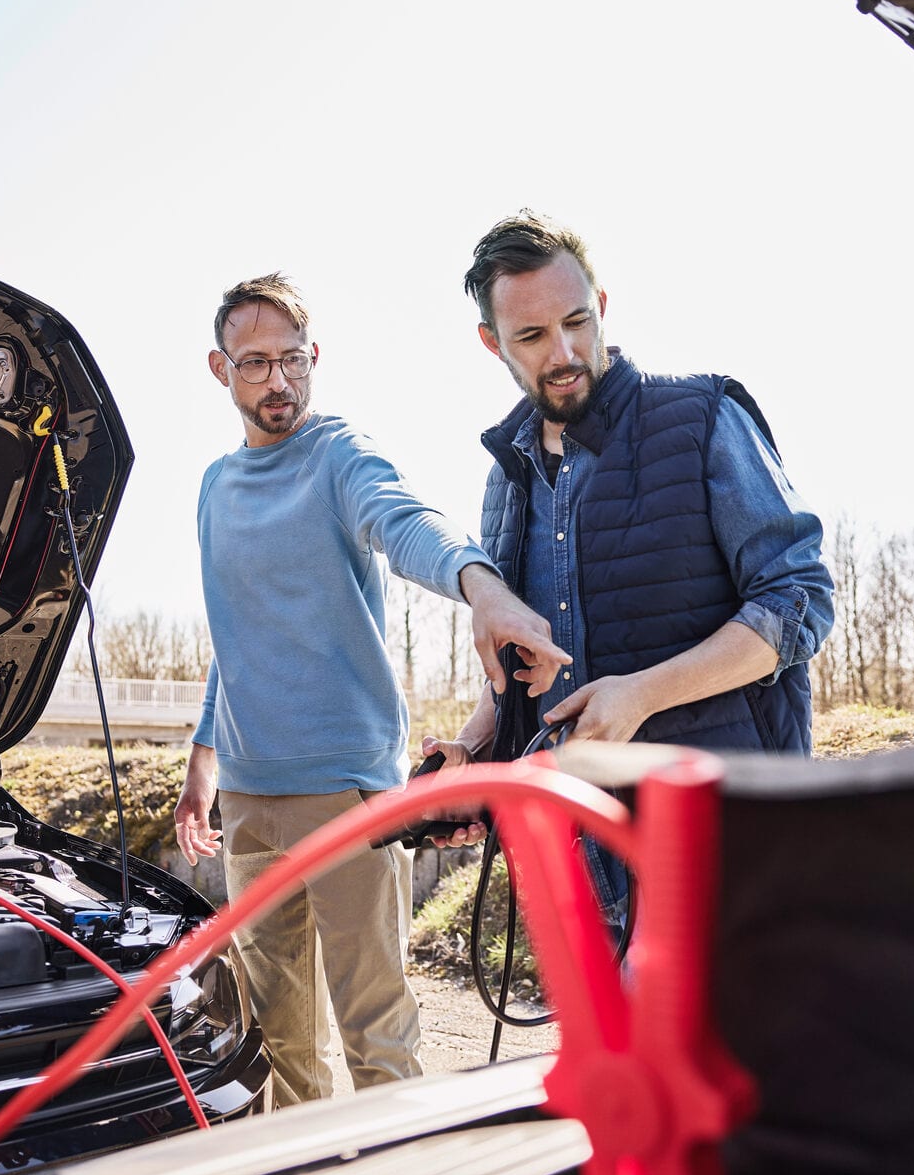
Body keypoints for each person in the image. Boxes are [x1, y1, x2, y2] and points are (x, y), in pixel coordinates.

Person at [173, 272, 566, 1107]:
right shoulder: (212, 487)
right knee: (278, 1042)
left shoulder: (339, 456)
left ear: (313, 359)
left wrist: (479, 585)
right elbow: (234, 633)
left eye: (291, 360)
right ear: (220, 369)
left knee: (374, 1036)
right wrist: (204, 757)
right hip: (247, 799)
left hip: (346, 794)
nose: (277, 381)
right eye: (254, 364)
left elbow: (404, 519)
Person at [424, 214, 835, 903]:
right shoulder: (508, 479)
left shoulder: (703, 416)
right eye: (531, 335)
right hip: (579, 873)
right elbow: (530, 665)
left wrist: (641, 694)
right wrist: (471, 756)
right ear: (491, 343)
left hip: (720, 848)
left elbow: (798, 601)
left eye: (577, 320)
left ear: (602, 306)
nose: (564, 351)